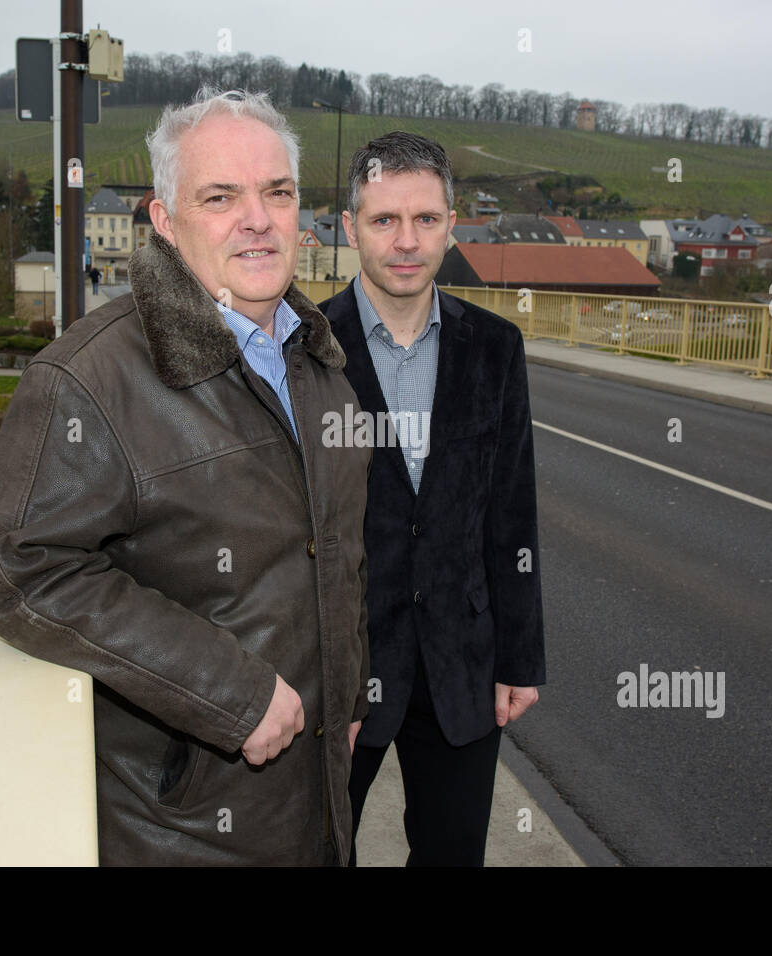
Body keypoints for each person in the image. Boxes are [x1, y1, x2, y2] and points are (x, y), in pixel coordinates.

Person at [0, 86, 371, 866]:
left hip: (320, 808)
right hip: (183, 835)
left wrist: (352, 696)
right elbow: (17, 569)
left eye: (277, 193)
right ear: (163, 220)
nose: (257, 219)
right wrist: (229, 691)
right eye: (220, 196)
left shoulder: (321, 365)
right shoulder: (87, 379)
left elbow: (345, 557)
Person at [318, 132, 546, 867]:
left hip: (462, 668)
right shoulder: (304, 349)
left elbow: (512, 516)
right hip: (341, 672)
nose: (406, 241)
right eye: (385, 221)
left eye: (425, 219)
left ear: (452, 224)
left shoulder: (496, 348)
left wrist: (520, 659)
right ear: (350, 229)